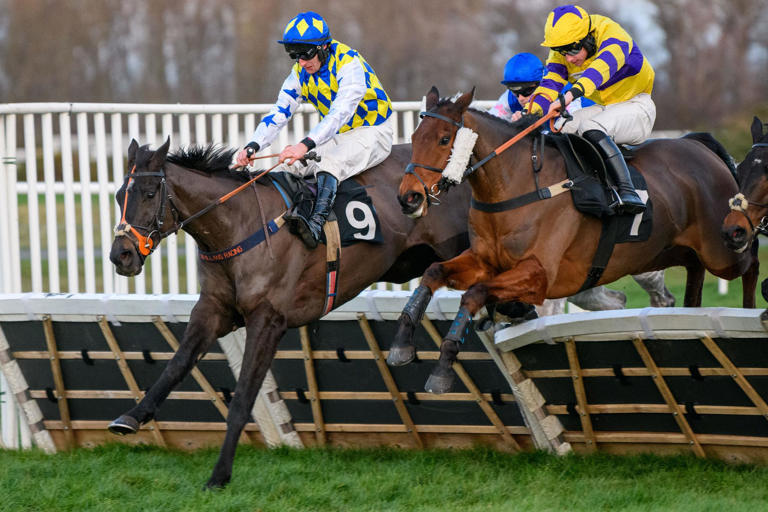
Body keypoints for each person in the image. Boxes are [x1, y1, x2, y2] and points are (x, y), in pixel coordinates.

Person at [491, 51, 674, 314]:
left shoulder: (565, 95)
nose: (520, 98)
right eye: (514, 91)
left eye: (527, 91)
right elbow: (491, 130)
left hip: (590, 138)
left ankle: (622, 193)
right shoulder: (509, 100)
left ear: (542, 83)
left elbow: (569, 138)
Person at [234, 11, 394, 249]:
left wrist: (304, 145)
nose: (301, 61)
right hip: (340, 135)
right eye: (294, 55)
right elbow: (280, 111)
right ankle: (291, 218)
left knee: (330, 163)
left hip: (374, 131)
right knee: (291, 165)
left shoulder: (349, 64)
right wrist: (253, 145)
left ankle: (316, 226)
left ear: (324, 47)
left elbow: (339, 114)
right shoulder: (299, 72)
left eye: (306, 54)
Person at [527, 4, 656, 215]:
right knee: (562, 128)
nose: (569, 58)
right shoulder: (563, 49)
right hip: (604, 108)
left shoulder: (613, 35)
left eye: (572, 50)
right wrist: (530, 113)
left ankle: (627, 191)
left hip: (638, 105)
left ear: (588, 39)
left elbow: (599, 71)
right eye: (562, 52)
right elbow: (550, 84)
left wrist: (568, 97)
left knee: (590, 127)